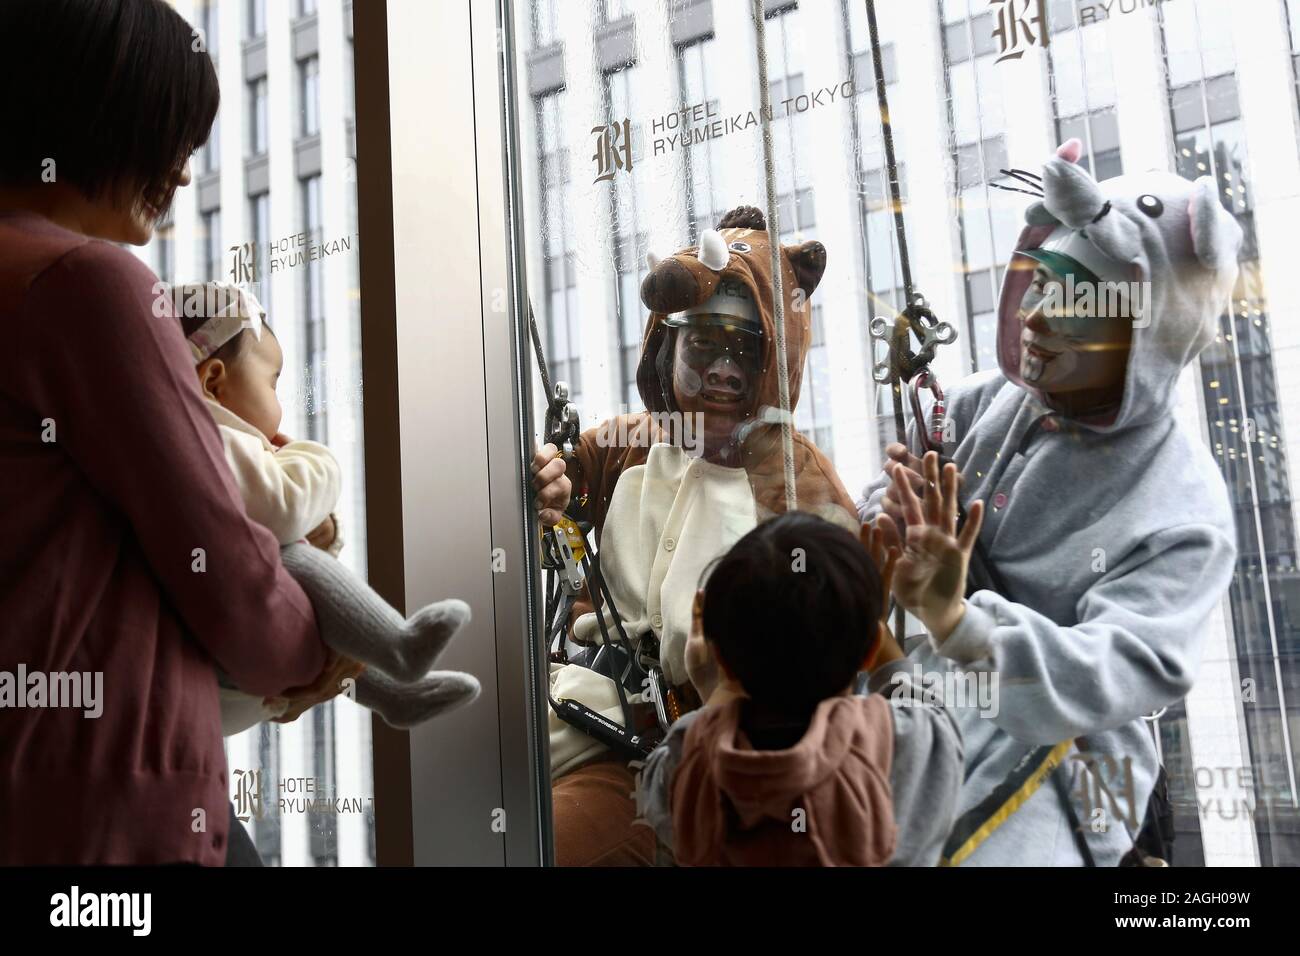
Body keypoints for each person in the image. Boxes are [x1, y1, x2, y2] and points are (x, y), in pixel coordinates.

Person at [0, 0, 353, 864]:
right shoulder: (88, 285)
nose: (185, 176)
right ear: (109, 114)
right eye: (177, 139)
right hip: (100, 800)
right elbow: (220, 559)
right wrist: (315, 648)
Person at [858, 139, 1243, 865]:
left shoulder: (1187, 507)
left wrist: (956, 618)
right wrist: (884, 523)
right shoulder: (981, 400)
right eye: (1043, 285)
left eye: (1075, 305)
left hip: (1065, 764)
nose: (1035, 320)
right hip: (909, 699)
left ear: (1147, 335)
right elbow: (879, 499)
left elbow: (1116, 671)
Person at [536, 205, 859, 865]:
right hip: (574, 703)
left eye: (745, 350)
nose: (721, 370)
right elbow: (563, 491)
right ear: (667, 346)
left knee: (550, 848)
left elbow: (843, 632)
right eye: (703, 344)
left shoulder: (797, 483)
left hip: (674, 756)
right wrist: (552, 486)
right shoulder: (627, 445)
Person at [170, 281, 480, 734]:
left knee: (295, 567)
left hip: (219, 685)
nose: (278, 404)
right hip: (222, 678)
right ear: (214, 381)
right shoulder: (213, 437)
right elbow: (282, 508)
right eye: (273, 382)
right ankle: (400, 647)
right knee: (289, 557)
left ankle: (391, 693)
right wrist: (313, 457)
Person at [637, 509, 966, 866]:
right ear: (869, 651)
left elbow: (670, 801)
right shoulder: (900, 743)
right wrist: (872, 625)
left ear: (723, 659)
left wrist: (711, 685)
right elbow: (929, 714)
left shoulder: (685, 761)